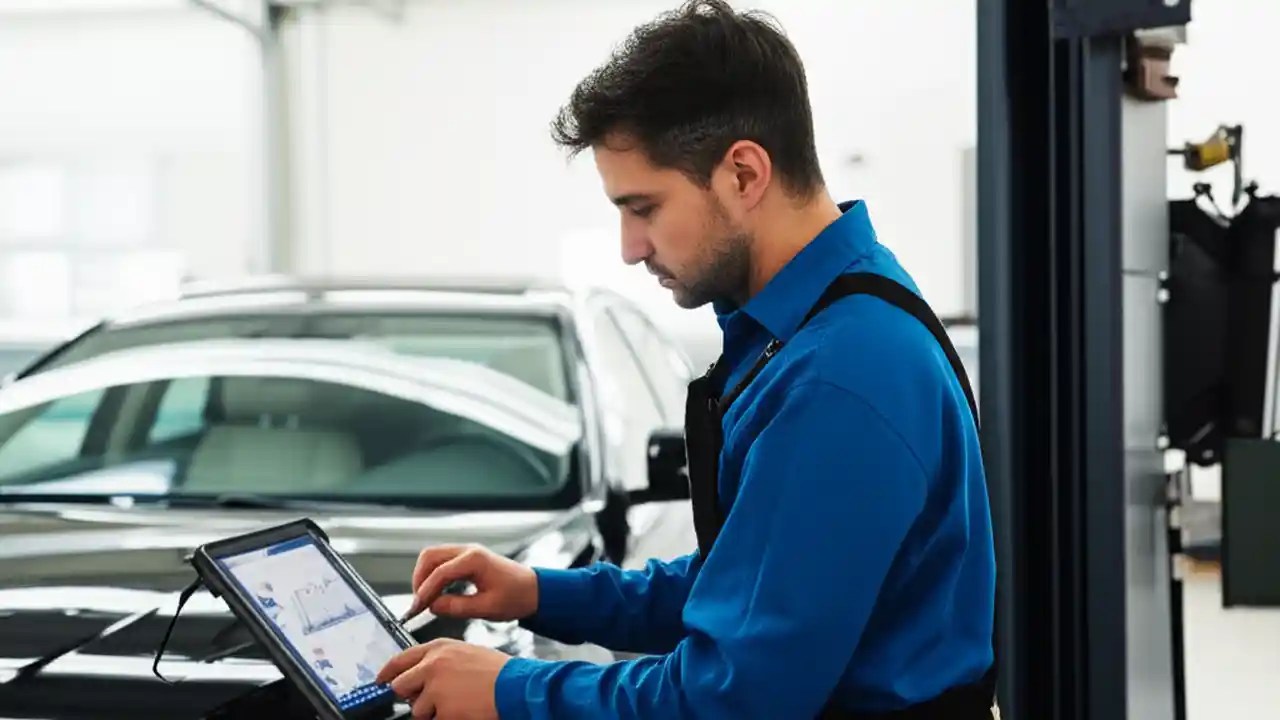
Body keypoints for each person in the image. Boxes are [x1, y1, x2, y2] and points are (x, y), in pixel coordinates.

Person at [375, 1, 997, 718]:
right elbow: (747, 588)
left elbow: (730, 698)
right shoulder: (825, 323)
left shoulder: (840, 375)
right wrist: (540, 593)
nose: (629, 247)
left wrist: (507, 690)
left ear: (742, 174)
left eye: (644, 207)